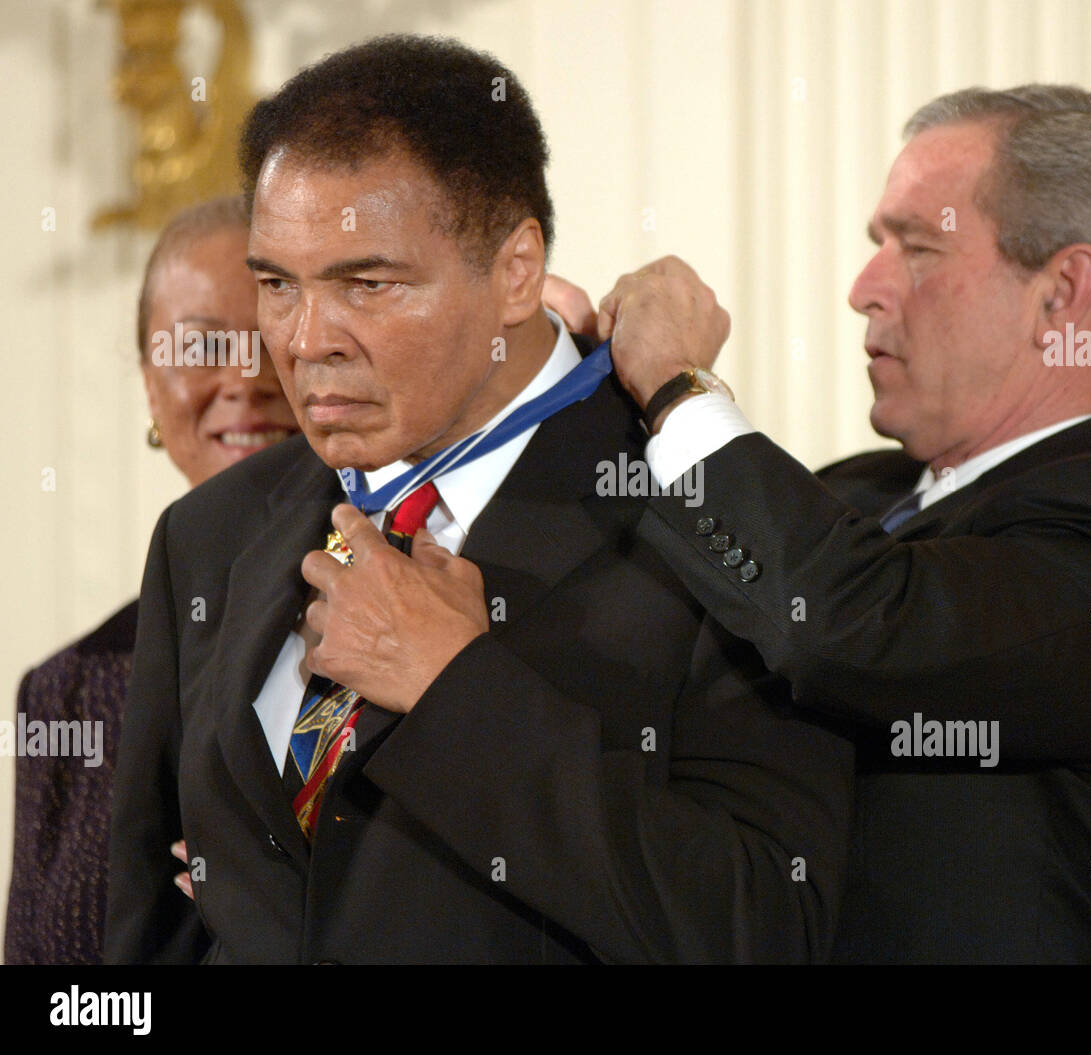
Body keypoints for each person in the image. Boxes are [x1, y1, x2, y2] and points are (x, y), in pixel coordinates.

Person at [104, 35, 853, 965]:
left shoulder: (723, 528)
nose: (303, 341)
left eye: (367, 284)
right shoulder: (209, 533)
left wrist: (460, 692)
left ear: (515, 272)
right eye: (276, 285)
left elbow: (761, 927)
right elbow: (144, 937)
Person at [582, 85, 1091, 963]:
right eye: (875, 245)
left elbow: (853, 625)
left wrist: (677, 385)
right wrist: (561, 373)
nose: (865, 289)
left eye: (920, 247)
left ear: (1063, 295)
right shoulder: (856, 495)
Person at [5, 196, 298, 964]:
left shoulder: (394, 619)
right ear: (148, 381)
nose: (246, 378)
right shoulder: (64, 690)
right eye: (202, 347)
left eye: (276, 339)